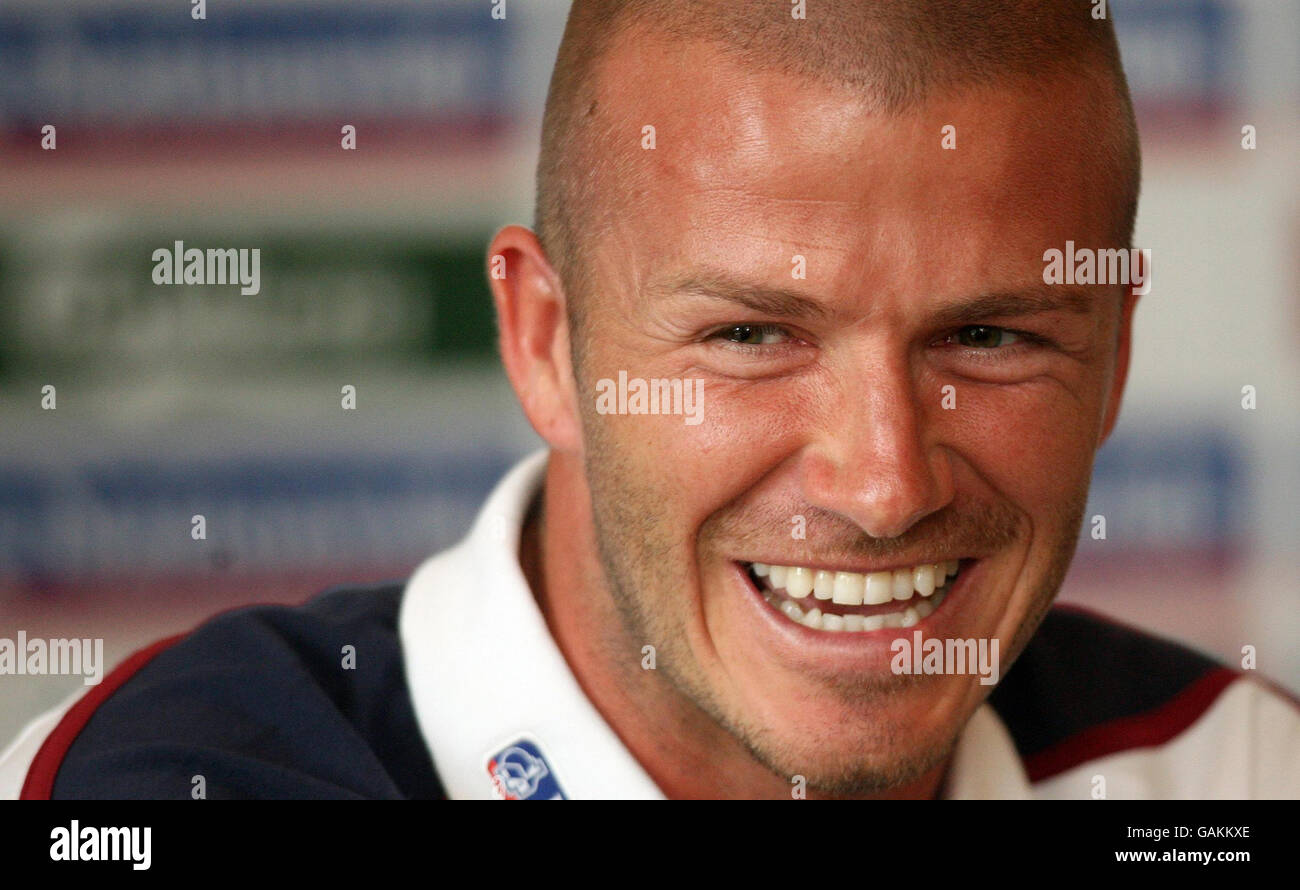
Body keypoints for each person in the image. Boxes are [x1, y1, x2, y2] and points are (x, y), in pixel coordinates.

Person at [3, 0, 1297, 800]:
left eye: (992, 334)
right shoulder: (161, 783)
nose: (885, 481)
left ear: (1116, 354)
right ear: (543, 340)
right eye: (750, 334)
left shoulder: (1233, 770)